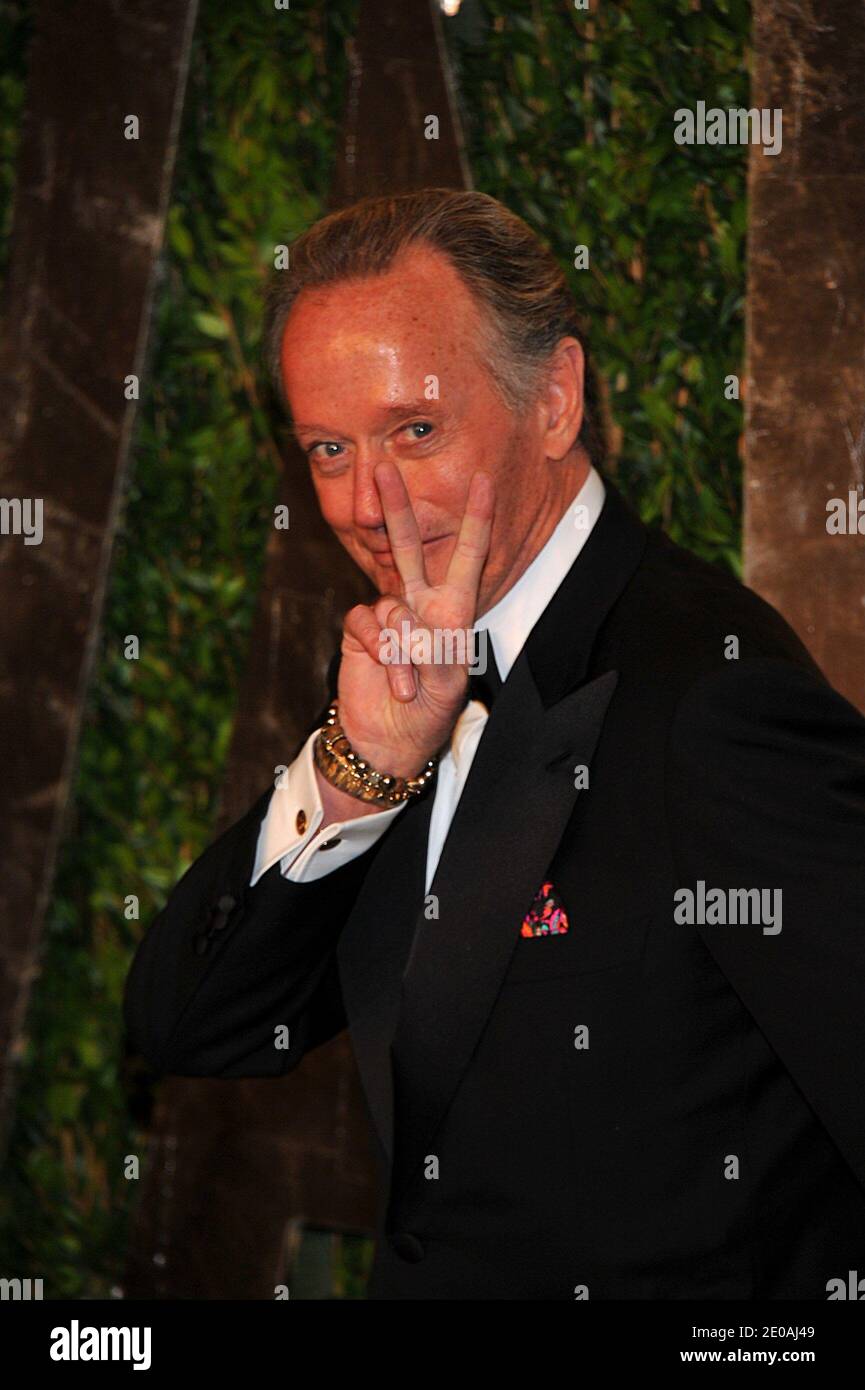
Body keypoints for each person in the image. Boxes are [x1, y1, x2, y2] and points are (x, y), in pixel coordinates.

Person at [124, 188, 865, 1299]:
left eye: (414, 430)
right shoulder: (405, 667)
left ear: (554, 398)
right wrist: (360, 767)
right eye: (330, 448)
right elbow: (193, 1022)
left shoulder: (711, 701)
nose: (371, 503)